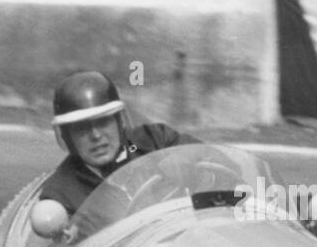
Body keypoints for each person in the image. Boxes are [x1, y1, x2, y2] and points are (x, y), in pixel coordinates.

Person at [39, 70, 198, 217]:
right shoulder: (60, 194)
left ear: (119, 121)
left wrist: (184, 161)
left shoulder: (157, 140)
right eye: (81, 128)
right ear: (67, 137)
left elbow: (205, 156)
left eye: (103, 122)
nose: (96, 136)